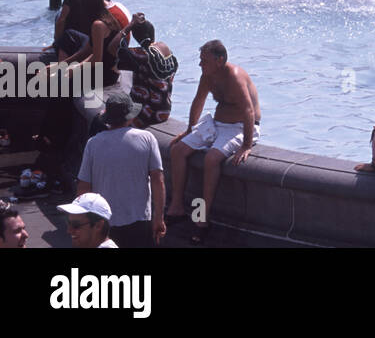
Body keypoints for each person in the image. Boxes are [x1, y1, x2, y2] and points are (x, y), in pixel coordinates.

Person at [165, 40, 260, 244]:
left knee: (211, 159)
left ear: (220, 60)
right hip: (217, 124)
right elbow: (198, 101)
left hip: (239, 127)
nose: (200, 64)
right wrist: (189, 130)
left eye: (204, 61)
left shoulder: (234, 77)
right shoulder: (208, 76)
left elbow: (249, 111)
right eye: (200, 60)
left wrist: (246, 145)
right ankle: (177, 207)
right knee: (178, 150)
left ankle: (202, 220)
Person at [76, 91, 165, 247]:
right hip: (139, 221)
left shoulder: (93, 143)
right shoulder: (147, 139)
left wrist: (83, 224)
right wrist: (159, 217)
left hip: (104, 223)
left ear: (107, 119)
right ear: (131, 117)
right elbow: (158, 181)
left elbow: (84, 187)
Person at [115, 14, 178, 127]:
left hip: (145, 112)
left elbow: (113, 47)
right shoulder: (166, 50)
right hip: (164, 110)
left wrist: (129, 26)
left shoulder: (142, 55)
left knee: (105, 120)